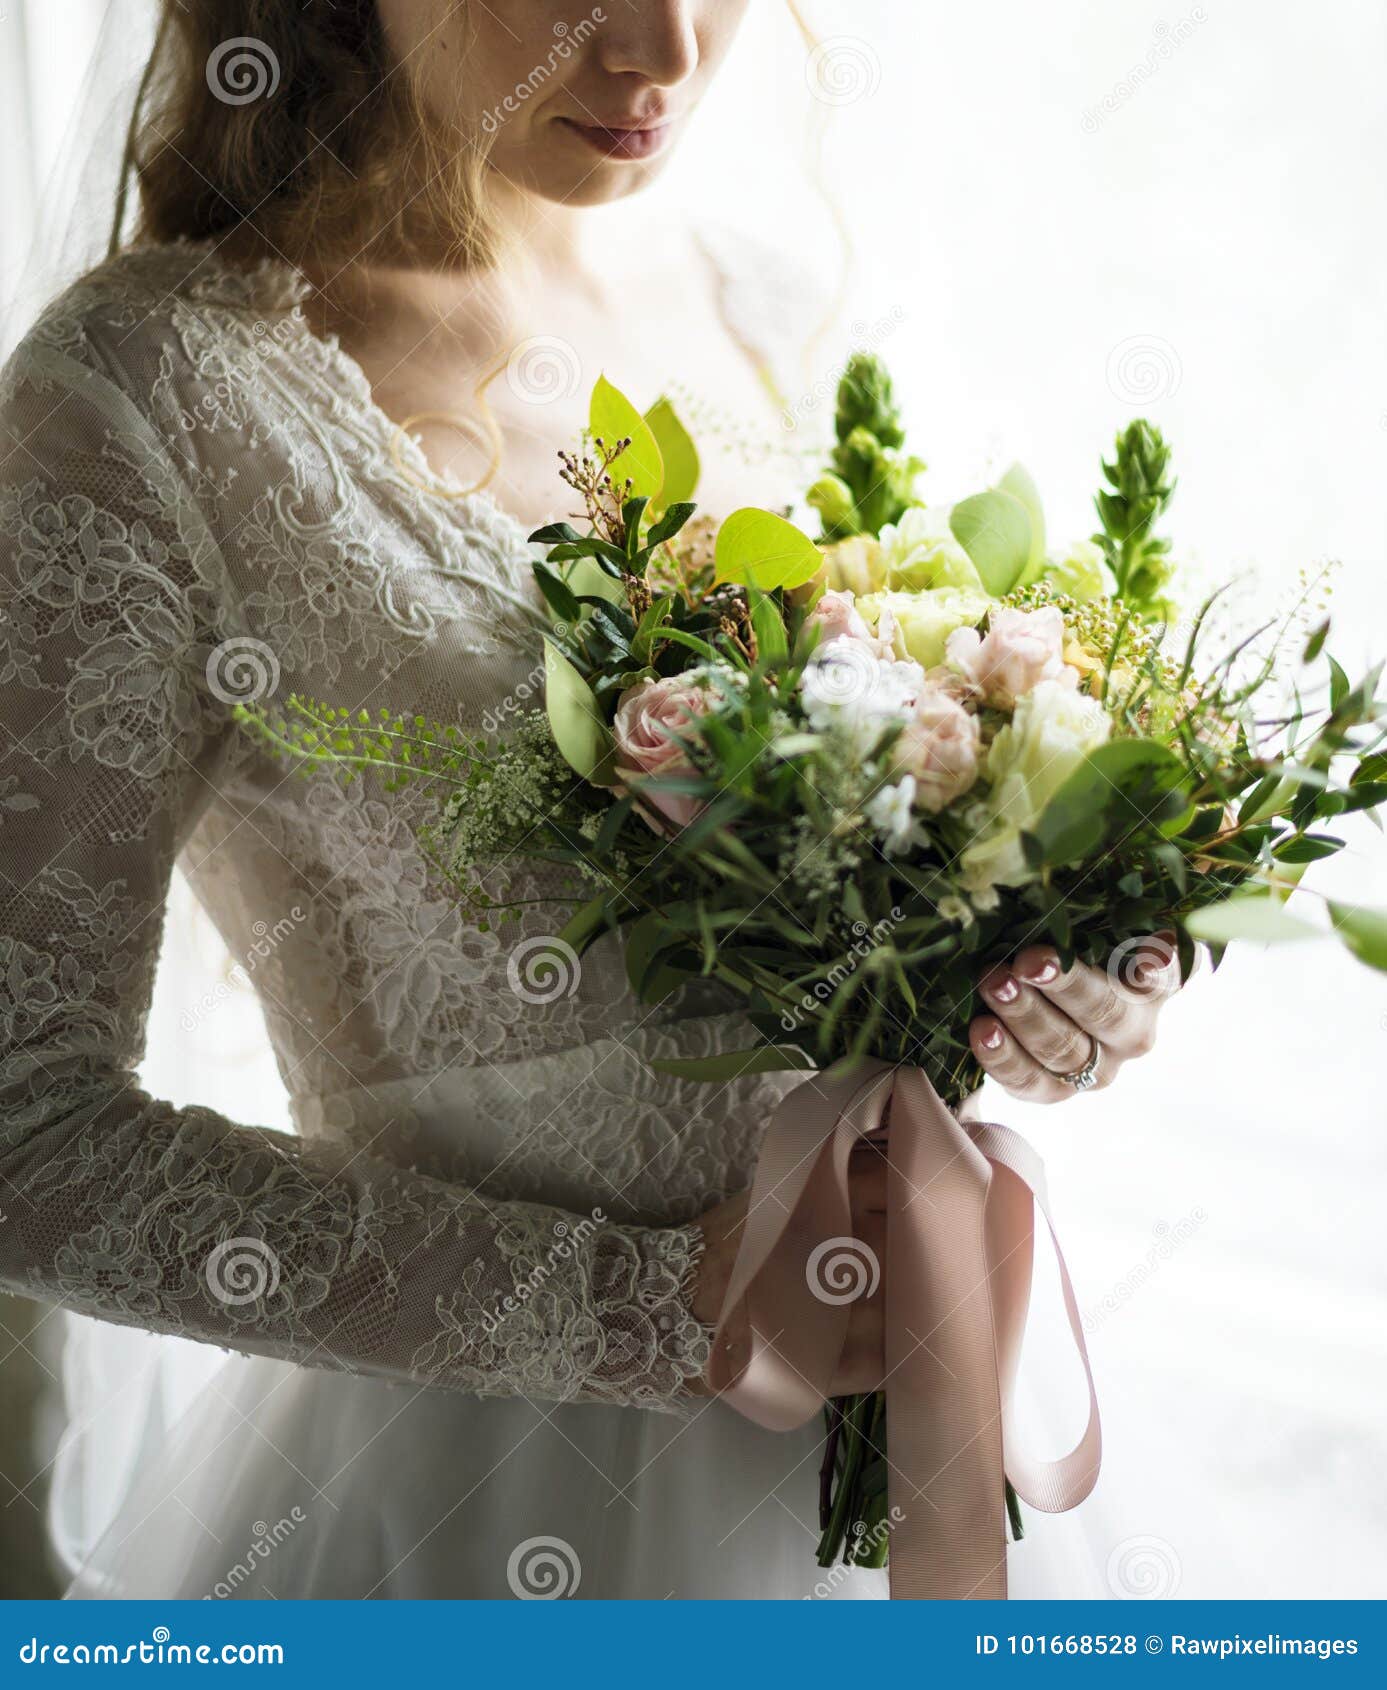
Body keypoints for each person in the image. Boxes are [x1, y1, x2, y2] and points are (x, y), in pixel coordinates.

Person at [0, 1, 1178, 1599]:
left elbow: (889, 883)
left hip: (936, 1415)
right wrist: (657, 1310)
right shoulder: (149, 398)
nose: (666, 48)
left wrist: (1052, 973)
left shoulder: (771, 306)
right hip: (467, 1511)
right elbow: (26, 1131)